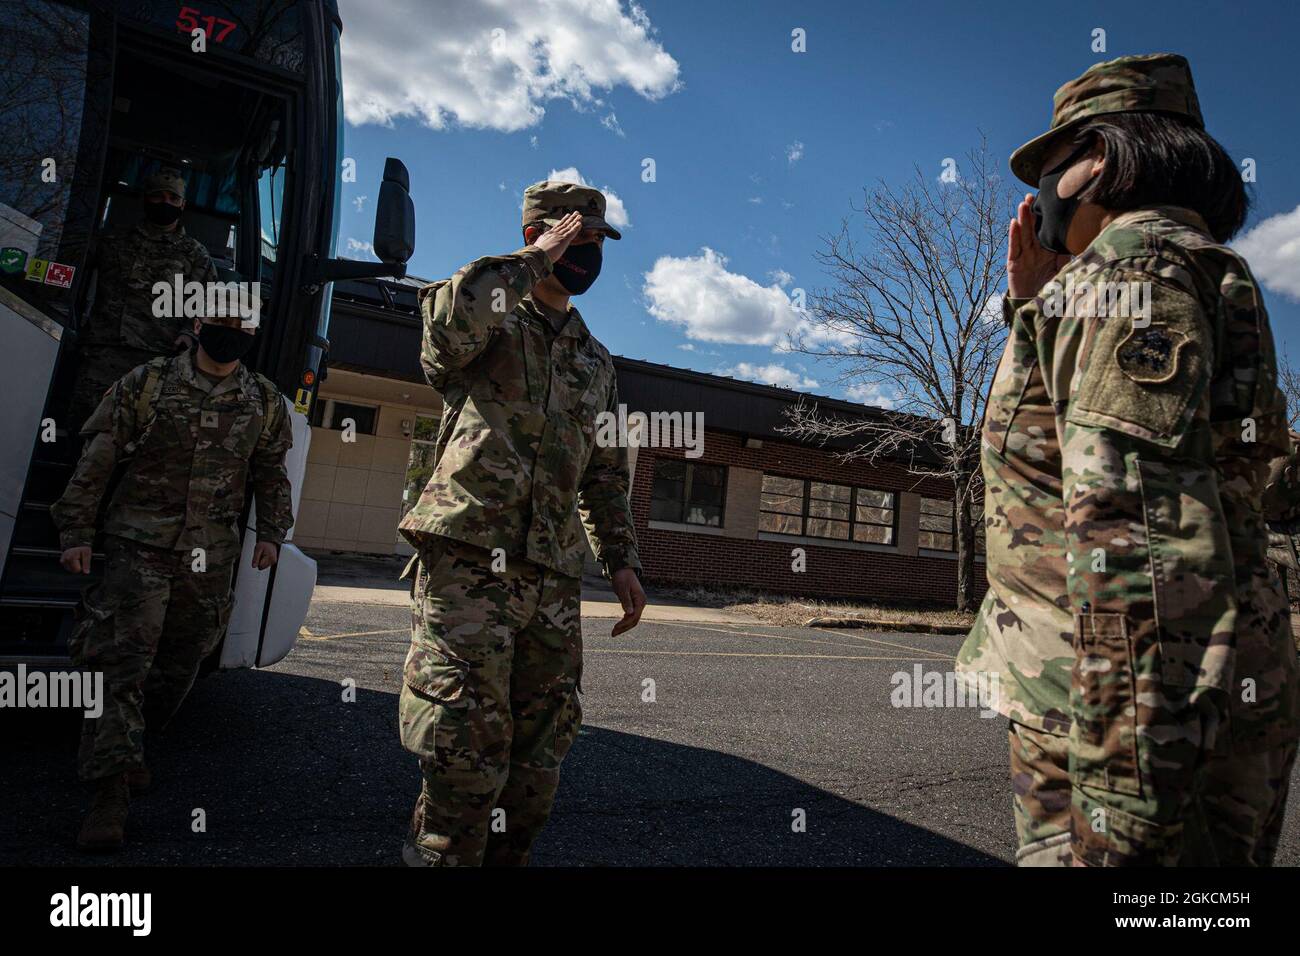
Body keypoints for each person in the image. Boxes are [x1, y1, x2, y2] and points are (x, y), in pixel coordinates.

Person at [957, 53, 1300, 866]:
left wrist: (1123, 803)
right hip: (1209, 706)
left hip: (1122, 726)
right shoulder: (1188, 273)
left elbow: (1139, 547)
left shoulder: (1128, 276)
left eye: (1049, 167)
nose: (1037, 194)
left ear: (1099, 162)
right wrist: (1032, 304)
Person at [396, 180, 646, 866]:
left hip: (552, 574)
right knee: (463, 747)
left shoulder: (595, 361)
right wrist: (534, 258)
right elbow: (446, 328)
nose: (589, 253)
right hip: (470, 556)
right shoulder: (492, 313)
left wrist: (621, 560)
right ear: (544, 231)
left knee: (540, 757)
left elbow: (601, 471)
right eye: (579, 237)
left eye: (598, 242)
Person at [52, 308, 293, 851]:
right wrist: (76, 531)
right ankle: (108, 791)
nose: (234, 330)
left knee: (183, 660)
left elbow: (270, 471)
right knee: (119, 663)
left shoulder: (265, 400)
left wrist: (272, 534)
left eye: (245, 325)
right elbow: (98, 457)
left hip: (210, 557)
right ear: (202, 323)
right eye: (222, 319)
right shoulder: (148, 382)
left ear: (253, 335)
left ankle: (132, 747)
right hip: (138, 545)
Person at [69, 168, 218, 431]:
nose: (165, 203)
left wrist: (188, 333)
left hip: (156, 357)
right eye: (158, 196)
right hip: (102, 350)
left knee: (136, 432)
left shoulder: (195, 254)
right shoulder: (113, 240)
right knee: (85, 427)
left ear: (183, 204)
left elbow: (205, 303)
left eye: (173, 199)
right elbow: (75, 277)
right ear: (145, 199)